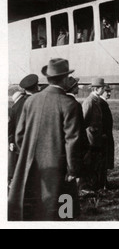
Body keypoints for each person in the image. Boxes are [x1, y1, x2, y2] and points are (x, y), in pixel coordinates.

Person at [8, 58, 84, 221]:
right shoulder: (70, 104)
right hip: (61, 167)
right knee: (65, 209)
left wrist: (29, 154)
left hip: (31, 164)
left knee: (34, 208)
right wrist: (73, 170)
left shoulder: (31, 100)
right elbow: (73, 141)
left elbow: (19, 134)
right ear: (64, 79)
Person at [8, 75, 40, 187]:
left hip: (19, 144)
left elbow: (10, 125)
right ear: (36, 87)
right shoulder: (37, 102)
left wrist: (11, 140)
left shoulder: (17, 104)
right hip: (33, 143)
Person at [82, 78, 106, 191]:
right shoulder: (89, 101)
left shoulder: (95, 100)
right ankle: (88, 187)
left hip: (96, 138)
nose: (104, 89)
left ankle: (94, 186)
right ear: (96, 89)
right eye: (102, 88)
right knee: (90, 164)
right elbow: (83, 121)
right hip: (91, 139)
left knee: (96, 163)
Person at [100, 85, 115, 188]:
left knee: (105, 161)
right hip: (103, 137)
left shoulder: (103, 103)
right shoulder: (100, 103)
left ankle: (104, 182)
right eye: (106, 91)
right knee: (102, 161)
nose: (109, 93)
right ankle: (102, 183)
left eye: (109, 91)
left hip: (106, 136)